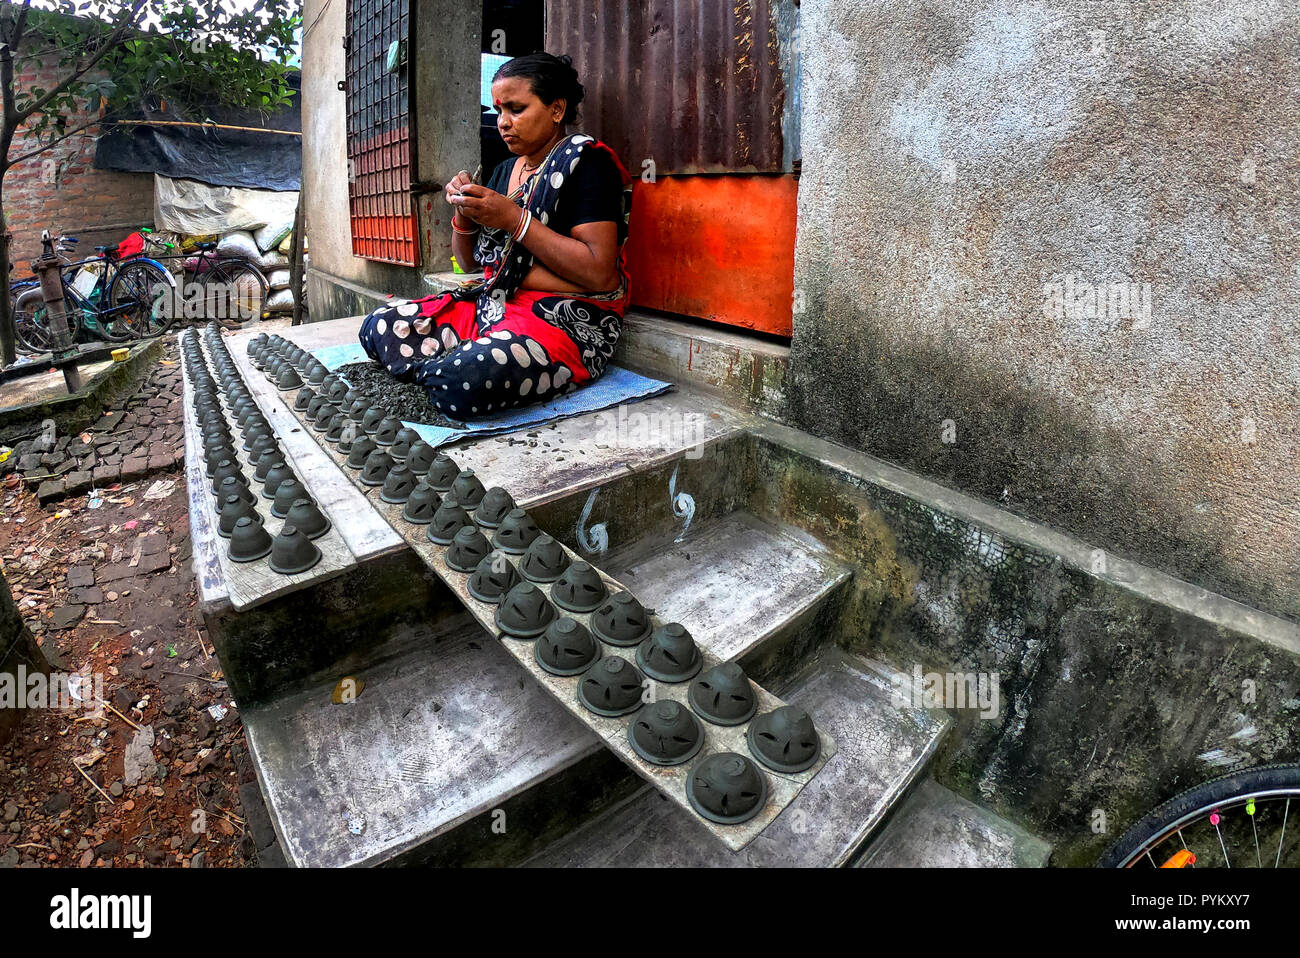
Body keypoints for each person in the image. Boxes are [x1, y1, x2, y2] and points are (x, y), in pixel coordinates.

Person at [358, 52, 632, 419]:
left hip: (564, 319)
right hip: (494, 302)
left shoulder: (586, 163)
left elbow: (600, 274)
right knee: (379, 327)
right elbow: (470, 263)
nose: (503, 123)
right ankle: (459, 360)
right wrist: (464, 213)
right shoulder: (505, 170)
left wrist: (514, 220)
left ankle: (454, 366)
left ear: (556, 109)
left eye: (516, 109)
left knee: (461, 382)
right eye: (499, 111)